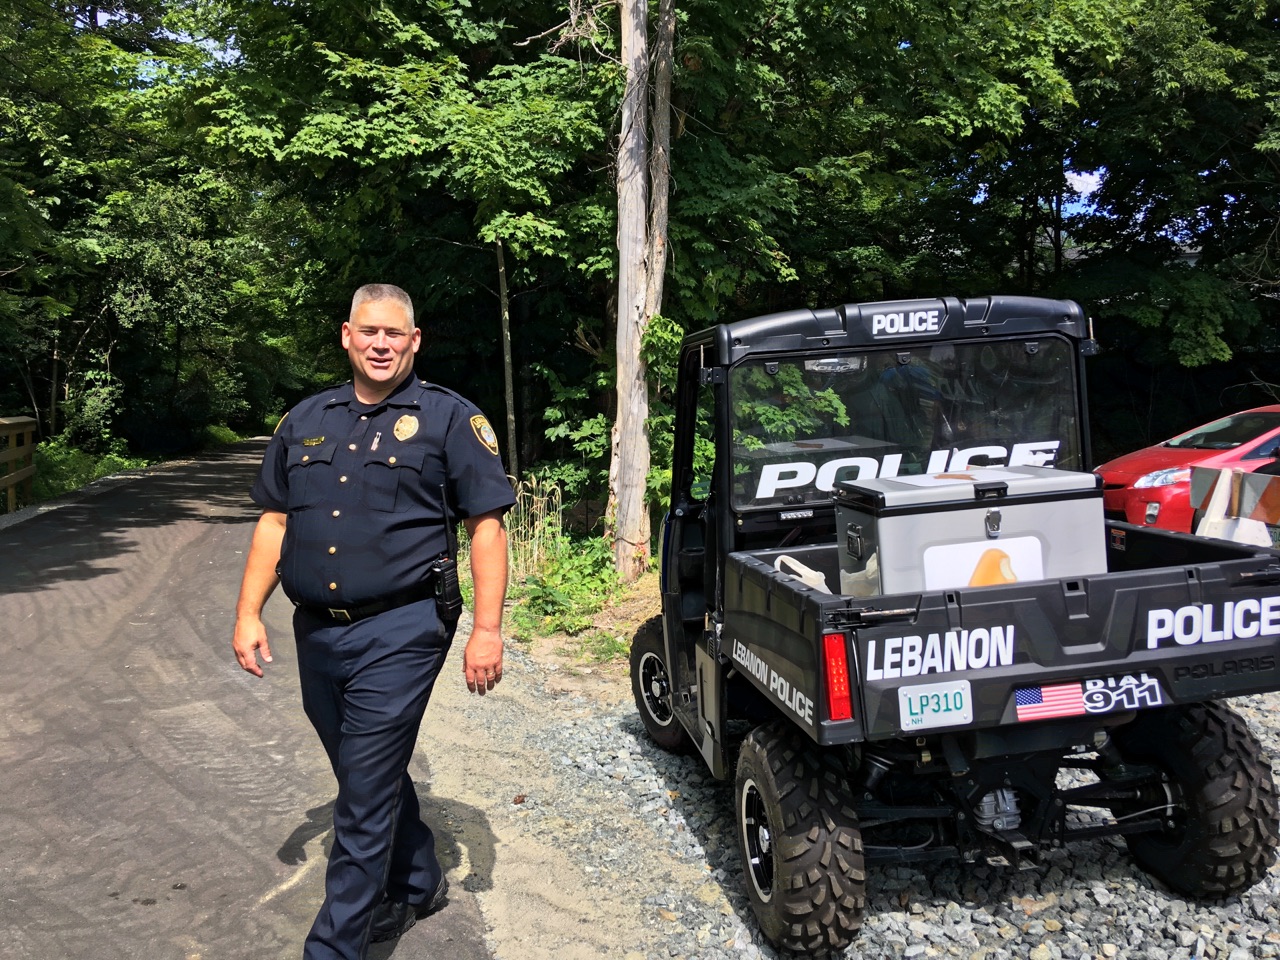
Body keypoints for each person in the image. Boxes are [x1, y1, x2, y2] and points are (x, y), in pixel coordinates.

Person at [231, 283, 515, 960]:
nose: (381, 344)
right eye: (370, 332)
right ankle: (418, 880)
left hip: (406, 627)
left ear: (414, 342)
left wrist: (487, 628)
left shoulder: (450, 418)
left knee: (360, 800)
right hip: (317, 629)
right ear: (347, 336)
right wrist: (247, 612)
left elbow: (488, 527)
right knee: (363, 770)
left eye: (395, 334)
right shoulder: (304, 419)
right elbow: (274, 521)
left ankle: (334, 948)